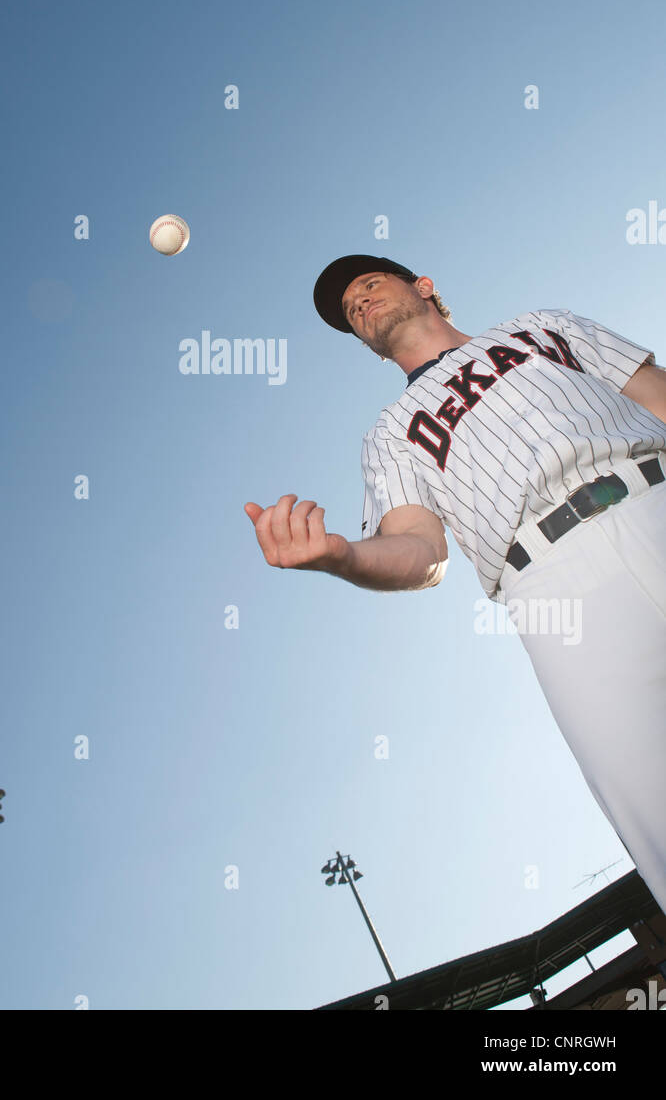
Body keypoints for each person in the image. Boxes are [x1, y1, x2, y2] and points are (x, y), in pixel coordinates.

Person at [244, 254, 666, 915]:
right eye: (349, 310)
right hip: (551, 585)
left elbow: (657, 395)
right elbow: (421, 549)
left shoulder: (542, 325)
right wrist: (344, 557)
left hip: (655, 489)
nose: (358, 303)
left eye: (369, 286)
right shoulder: (390, 434)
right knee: (654, 804)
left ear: (425, 287)